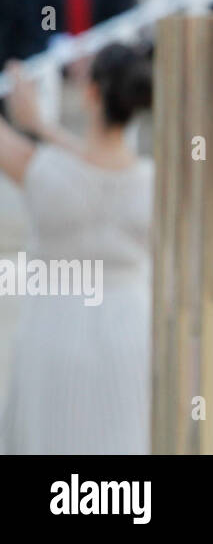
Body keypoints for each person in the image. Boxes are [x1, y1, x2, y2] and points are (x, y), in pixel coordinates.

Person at [0, 45, 154, 453]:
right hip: (131, 335)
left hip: (55, 333)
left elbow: (82, 169)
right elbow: (102, 169)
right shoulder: (152, 184)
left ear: (91, 95)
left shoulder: (47, 172)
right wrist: (46, 127)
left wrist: (36, 121)